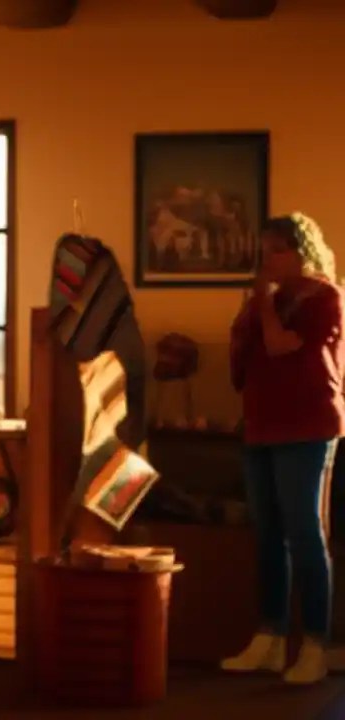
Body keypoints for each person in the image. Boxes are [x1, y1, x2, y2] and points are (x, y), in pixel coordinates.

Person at [223, 212, 345, 684]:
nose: (267, 260)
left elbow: (280, 346)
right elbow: (244, 355)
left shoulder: (326, 297)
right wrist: (251, 311)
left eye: (277, 250)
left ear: (301, 251)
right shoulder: (267, 299)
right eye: (264, 251)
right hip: (261, 423)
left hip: (306, 426)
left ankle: (314, 643)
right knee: (267, 533)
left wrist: (264, 305)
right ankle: (270, 638)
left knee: (304, 531)